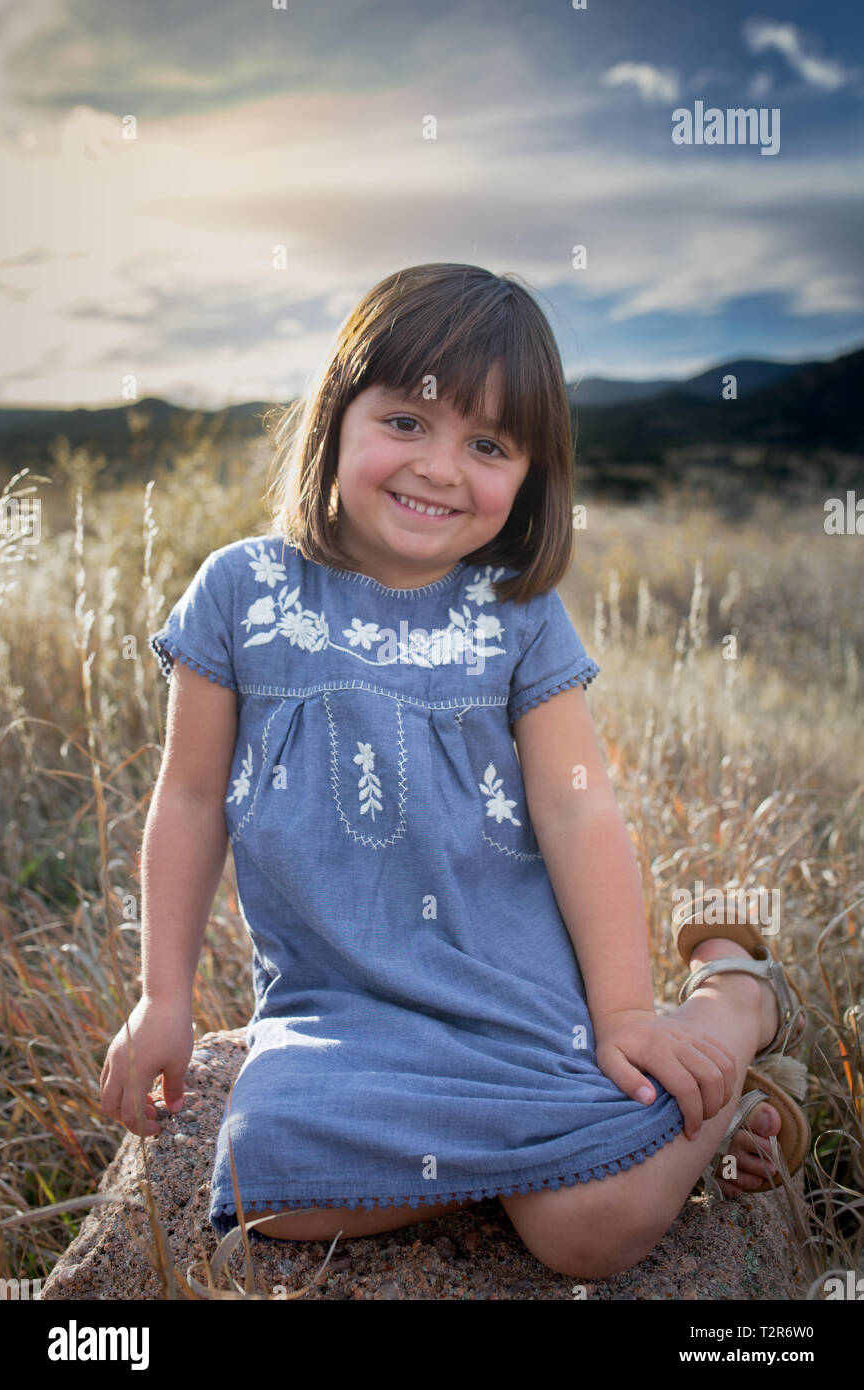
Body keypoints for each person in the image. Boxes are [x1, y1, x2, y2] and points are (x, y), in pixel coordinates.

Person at [100, 263, 808, 1278]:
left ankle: (730, 1006)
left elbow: (577, 814)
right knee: (264, 1193)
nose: (439, 467)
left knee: (585, 1232)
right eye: (406, 422)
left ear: (530, 476)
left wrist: (620, 1016)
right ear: (336, 418)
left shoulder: (515, 615)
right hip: (338, 1009)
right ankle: (619, 1132)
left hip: (512, 993)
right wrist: (162, 995)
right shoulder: (241, 591)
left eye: (487, 445)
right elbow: (190, 797)